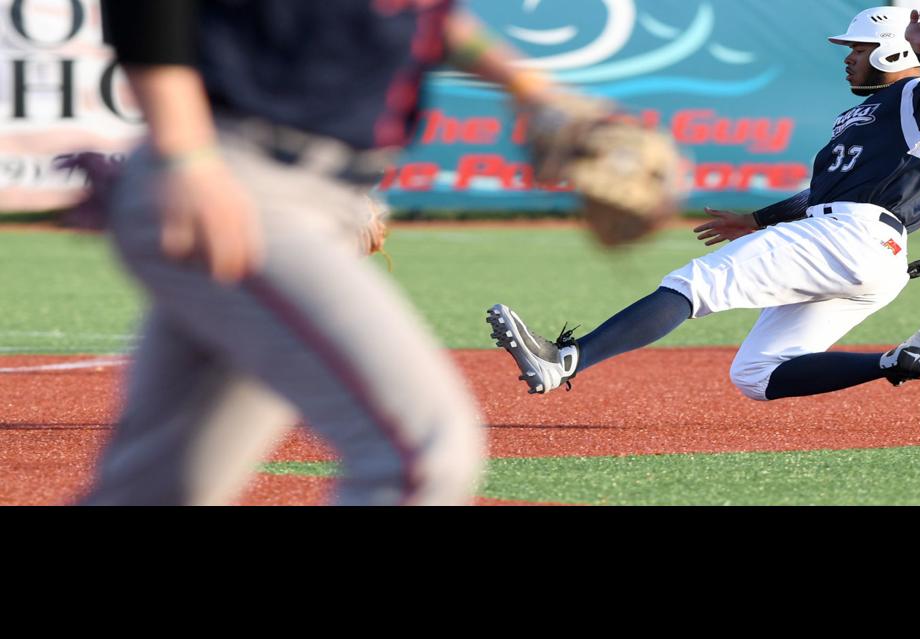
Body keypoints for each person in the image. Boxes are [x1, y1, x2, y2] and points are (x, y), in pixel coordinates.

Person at [84, 0, 578, 504]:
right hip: (240, 184)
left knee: (156, 489)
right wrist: (185, 155)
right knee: (421, 458)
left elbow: (425, 16)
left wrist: (534, 91)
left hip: (312, 188)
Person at [488, 5, 920, 402]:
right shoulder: (870, 116)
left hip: (847, 238)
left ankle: (567, 360)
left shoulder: (916, 94)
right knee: (757, 375)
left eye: (861, 48)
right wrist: (758, 219)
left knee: (693, 284)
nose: (849, 57)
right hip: (872, 256)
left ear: (893, 53)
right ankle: (897, 360)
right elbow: (829, 195)